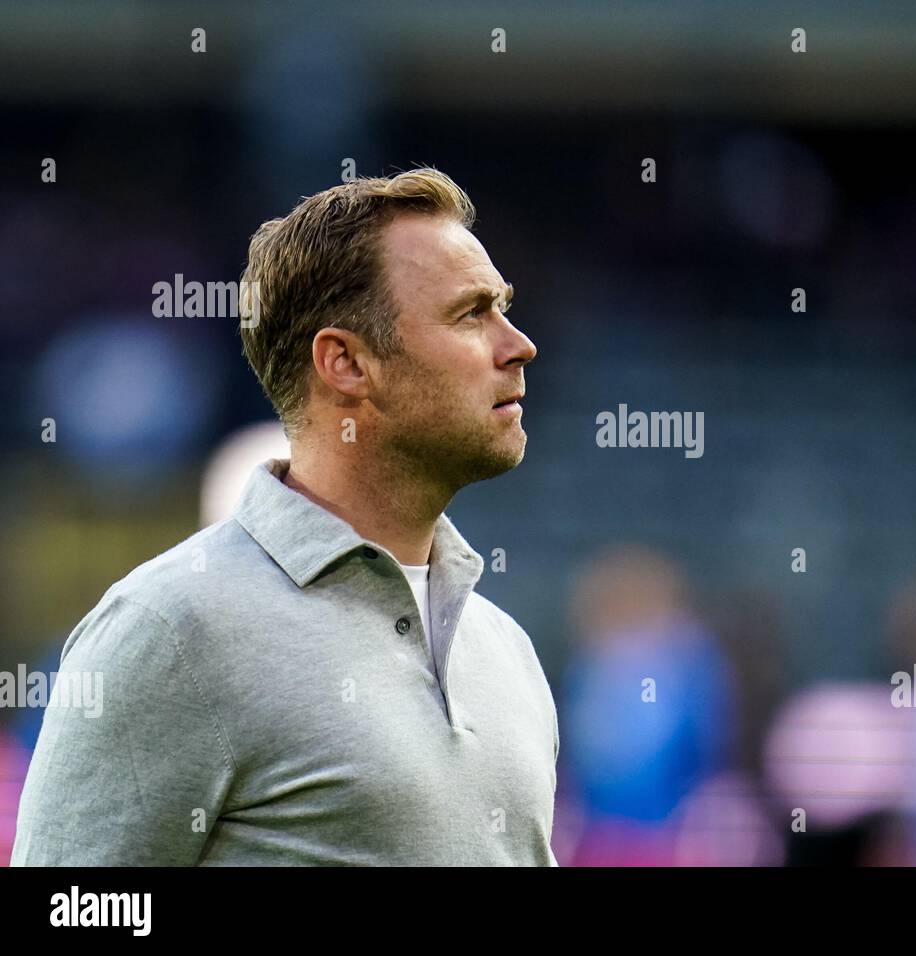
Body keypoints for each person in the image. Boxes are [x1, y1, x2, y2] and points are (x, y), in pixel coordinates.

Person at [12, 167, 557, 865]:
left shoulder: (505, 648)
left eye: (503, 308)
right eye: (470, 314)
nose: (518, 344)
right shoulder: (170, 632)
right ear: (346, 364)